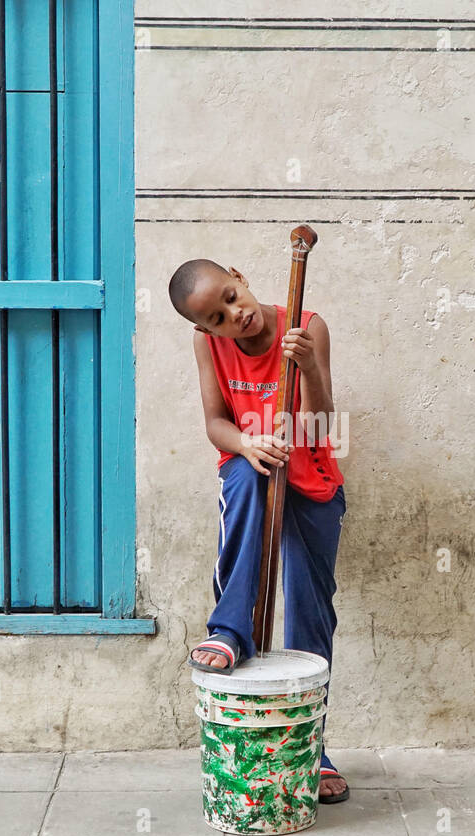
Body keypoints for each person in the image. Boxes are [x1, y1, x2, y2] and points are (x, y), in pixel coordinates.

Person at [168, 258, 350, 804]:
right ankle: (229, 630)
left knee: (310, 607)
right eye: (217, 317)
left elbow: (321, 422)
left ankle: (312, 751)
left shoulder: (305, 324)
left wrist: (308, 367)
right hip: (255, 466)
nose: (234, 314)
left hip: (312, 475)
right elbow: (216, 424)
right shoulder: (210, 347)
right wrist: (246, 443)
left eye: (230, 295)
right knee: (244, 472)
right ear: (205, 330)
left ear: (239, 274)